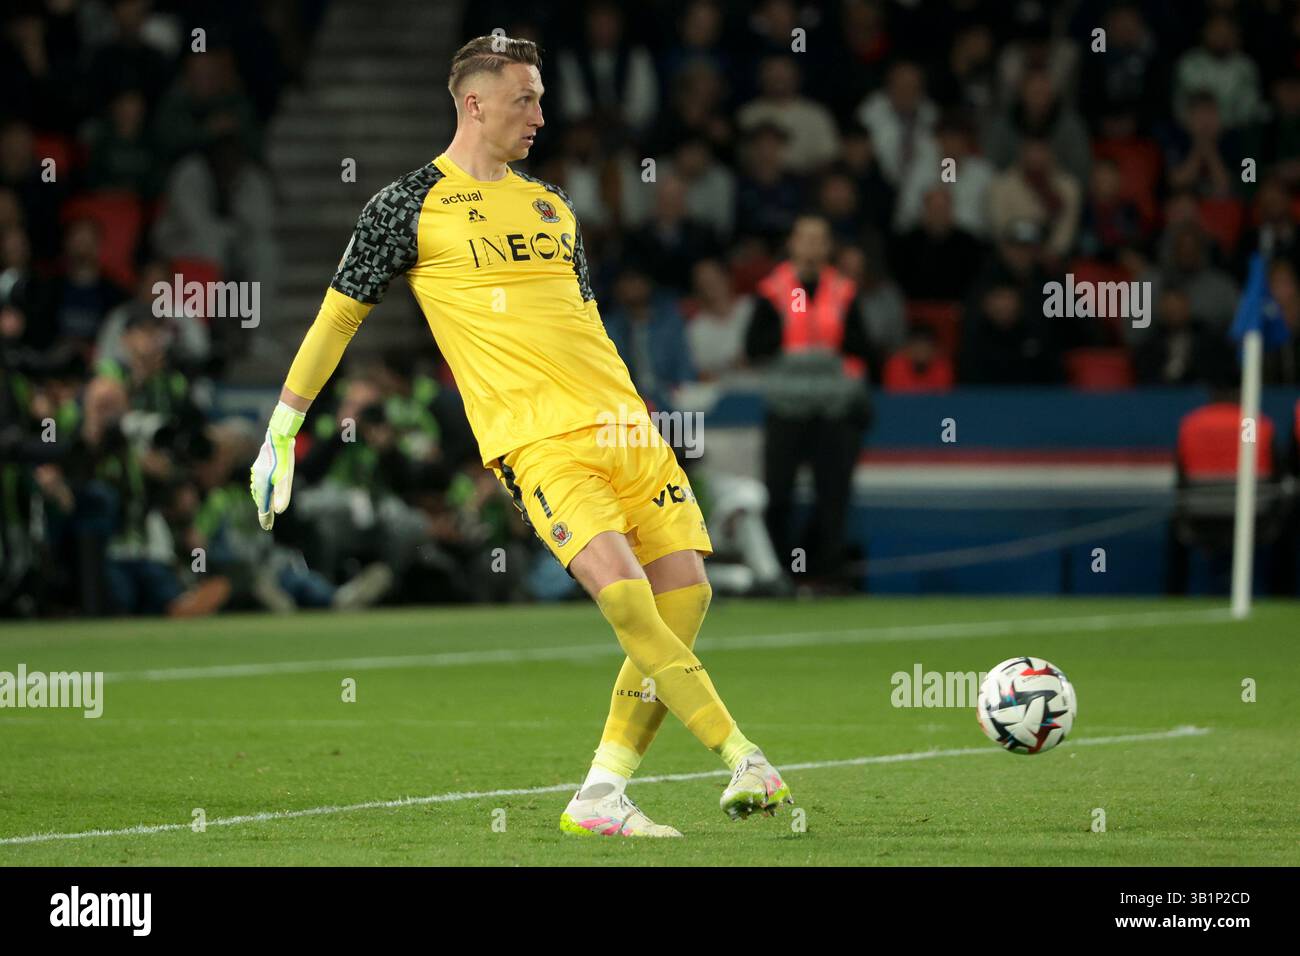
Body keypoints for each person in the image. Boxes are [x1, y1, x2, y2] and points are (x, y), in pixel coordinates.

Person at [247, 36, 791, 838]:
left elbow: (581, 322)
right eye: (524, 99)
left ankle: (602, 794)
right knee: (626, 598)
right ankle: (742, 756)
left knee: (687, 594)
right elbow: (338, 316)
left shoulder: (552, 203)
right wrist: (282, 428)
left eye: (539, 97)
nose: (540, 114)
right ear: (474, 103)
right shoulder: (406, 207)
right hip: (537, 441)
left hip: (626, 428)